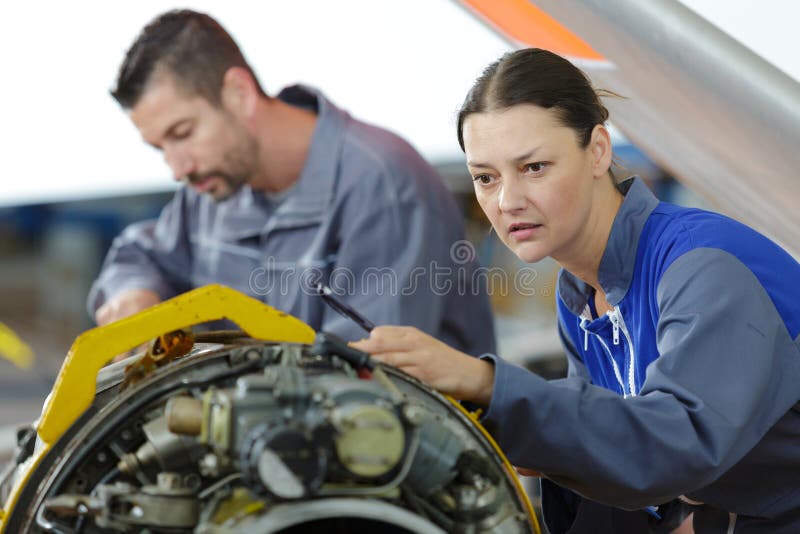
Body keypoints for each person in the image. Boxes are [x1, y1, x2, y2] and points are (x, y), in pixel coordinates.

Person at [352, 48, 800, 533]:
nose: (507, 201)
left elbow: (677, 446)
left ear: (599, 151)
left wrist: (487, 385)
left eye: (535, 167)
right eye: (485, 177)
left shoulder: (701, 266)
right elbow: (619, 451)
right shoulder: (580, 296)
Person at [87, 9, 495, 356]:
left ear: (239, 94)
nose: (177, 168)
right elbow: (142, 253)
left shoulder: (385, 187)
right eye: (160, 147)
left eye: (182, 133)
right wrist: (134, 294)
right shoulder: (212, 187)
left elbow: (369, 386)